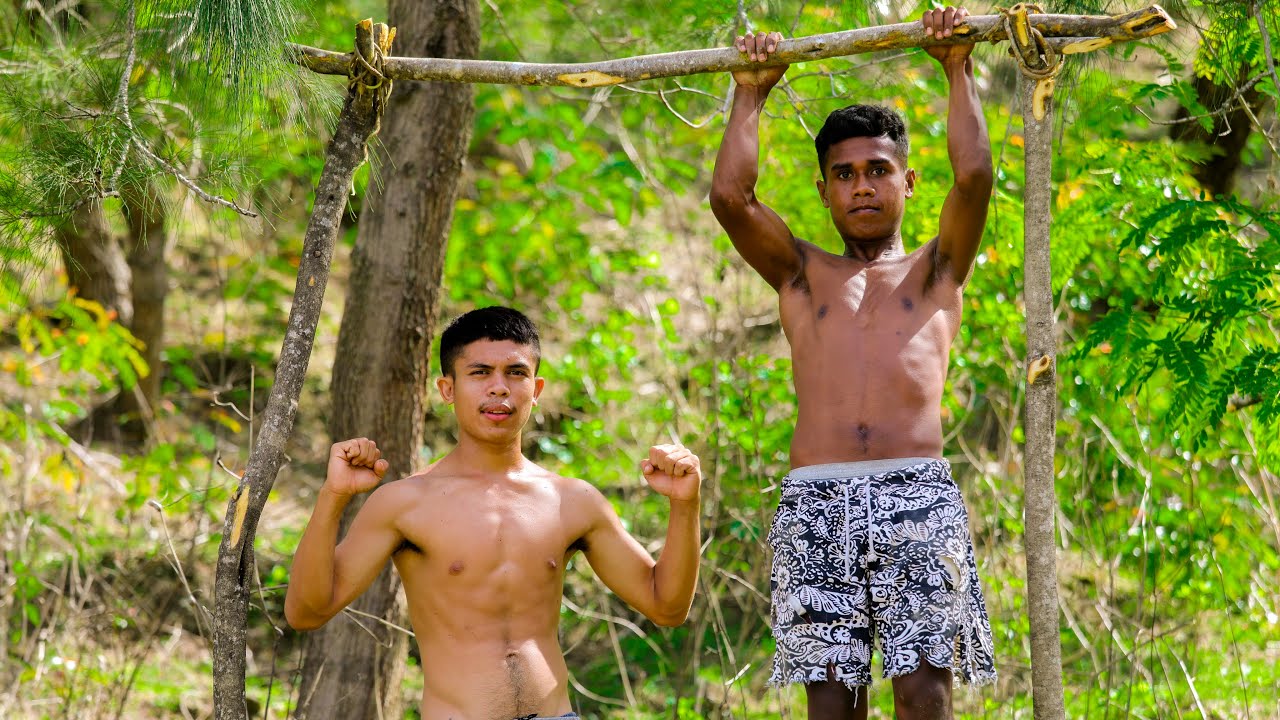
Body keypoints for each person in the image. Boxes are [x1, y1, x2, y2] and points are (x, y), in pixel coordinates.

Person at [708, 7, 997, 719]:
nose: (861, 186)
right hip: (817, 502)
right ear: (823, 189)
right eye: (844, 174)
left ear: (907, 182)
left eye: (878, 171)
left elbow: (976, 176)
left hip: (916, 497)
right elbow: (730, 197)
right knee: (832, 702)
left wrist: (956, 68)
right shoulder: (800, 274)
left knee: (926, 691)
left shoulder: (939, 271)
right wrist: (751, 92)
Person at [284, 306, 702, 720]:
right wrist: (333, 497)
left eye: (515, 373)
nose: (499, 388)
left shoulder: (572, 500)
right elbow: (306, 612)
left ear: (536, 390)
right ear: (447, 389)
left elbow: (666, 606)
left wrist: (685, 505)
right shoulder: (405, 503)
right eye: (480, 373)